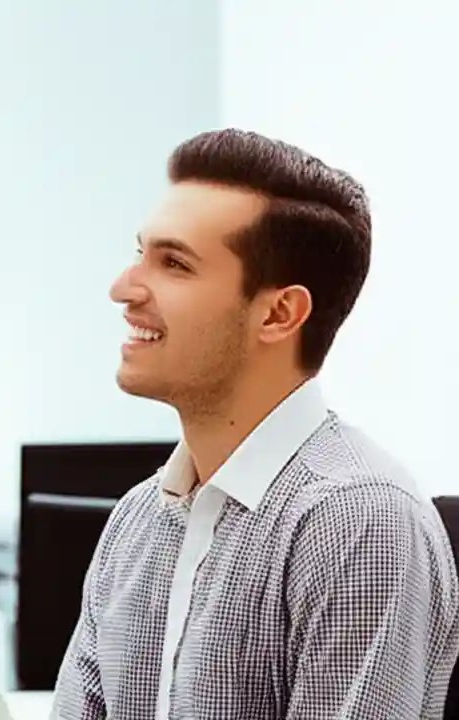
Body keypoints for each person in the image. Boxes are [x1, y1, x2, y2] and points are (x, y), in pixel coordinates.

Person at [53, 128, 459, 719]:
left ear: (278, 313)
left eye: (174, 263)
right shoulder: (136, 521)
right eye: (140, 252)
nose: (123, 287)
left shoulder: (361, 522)